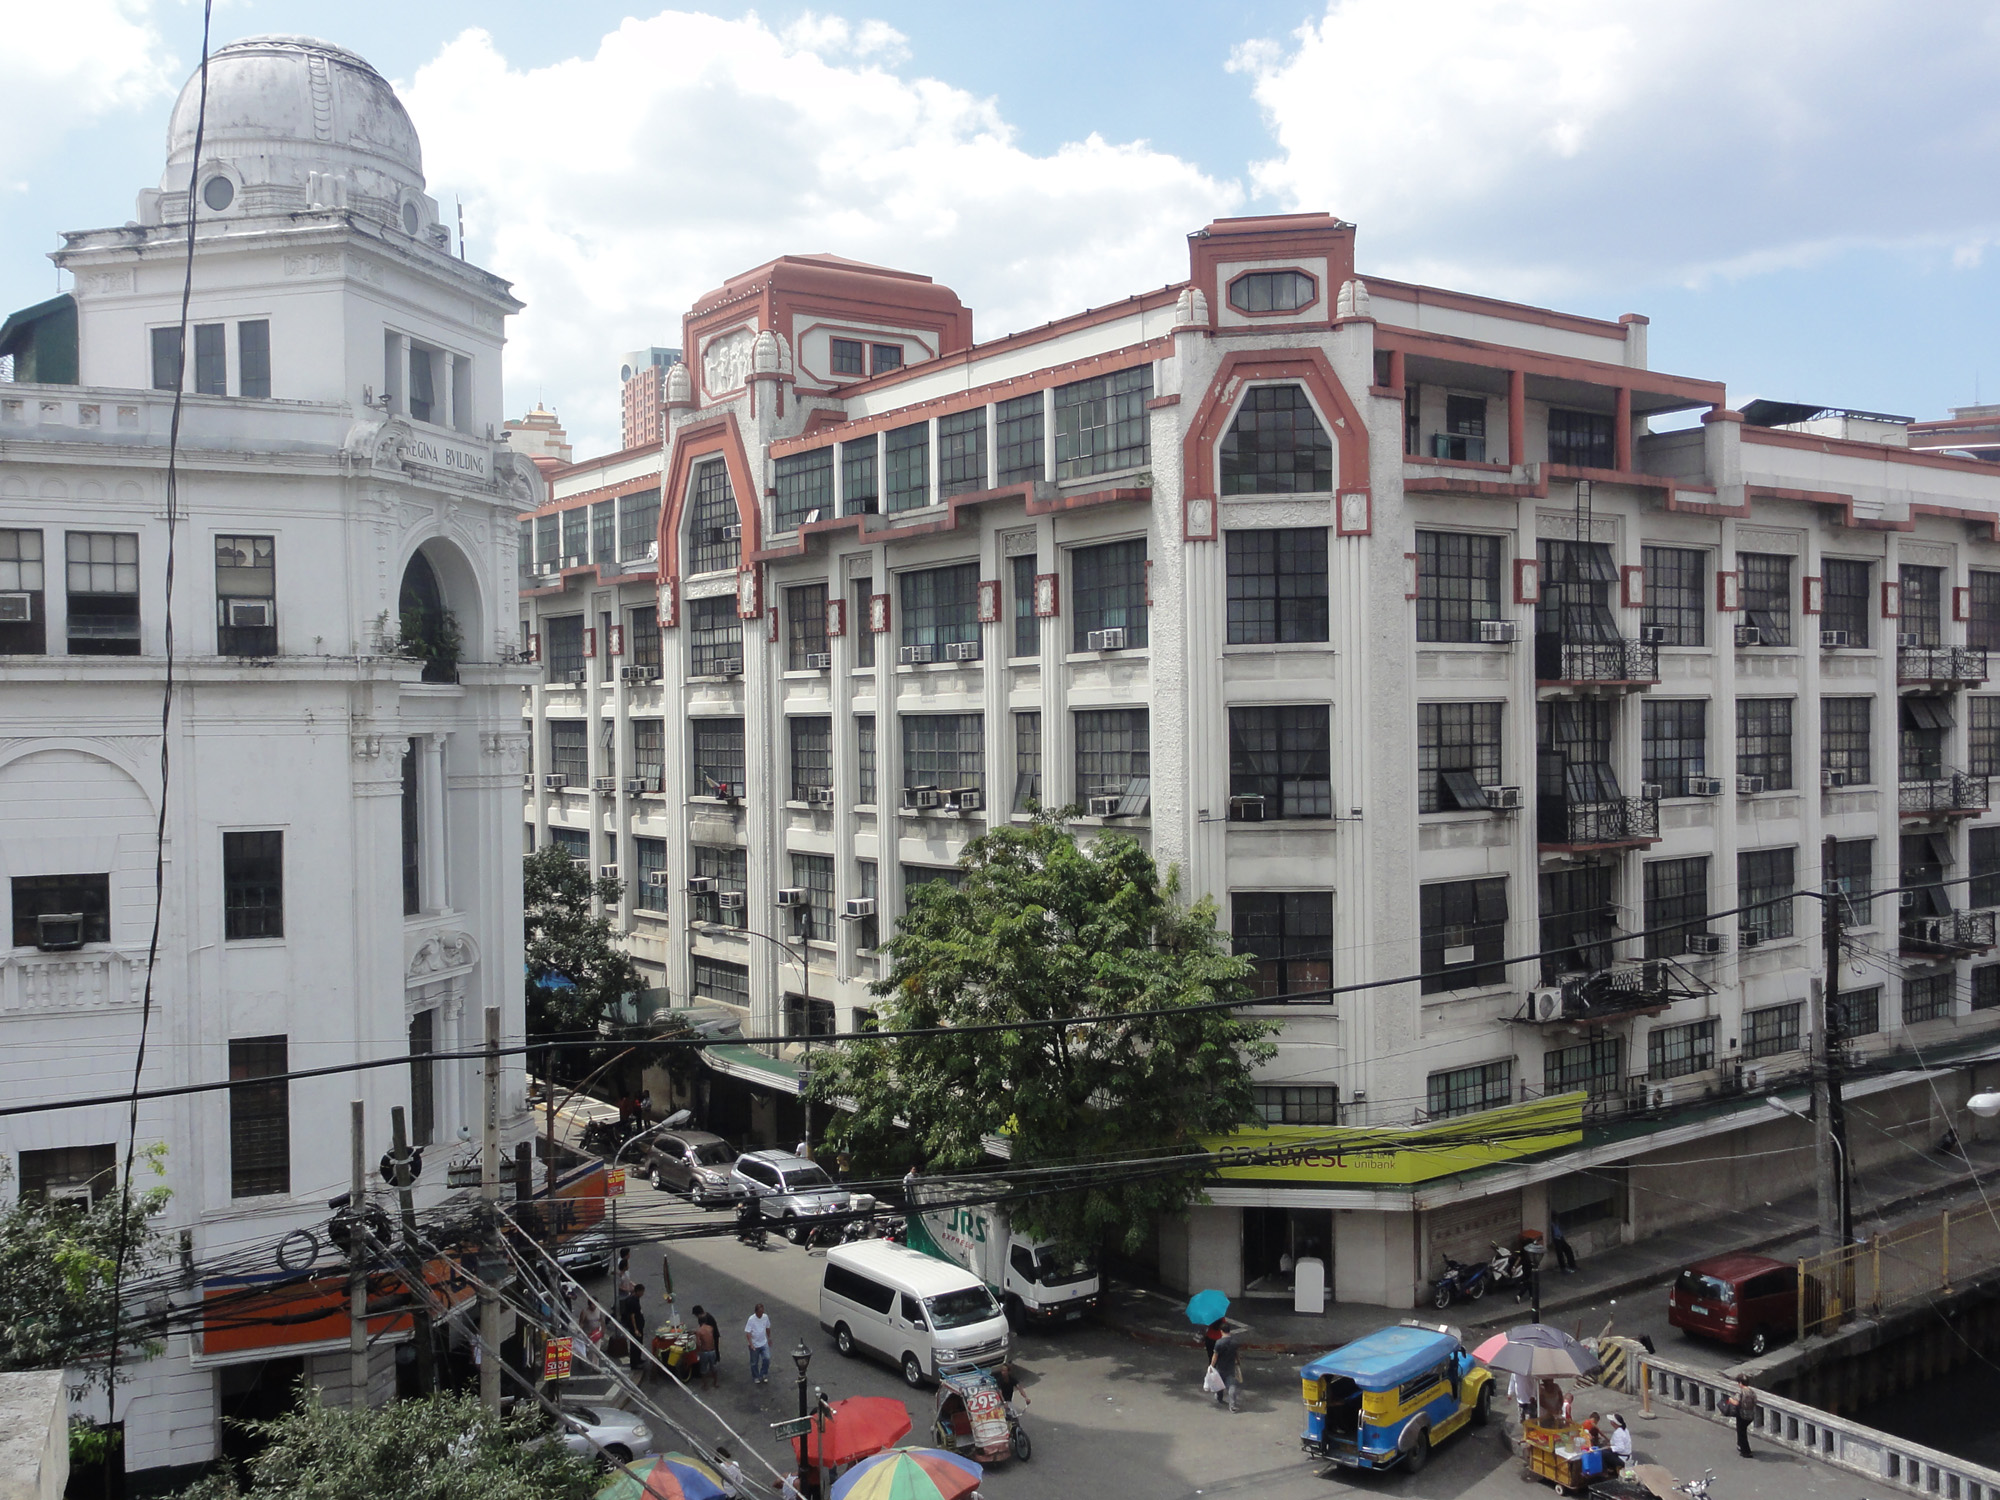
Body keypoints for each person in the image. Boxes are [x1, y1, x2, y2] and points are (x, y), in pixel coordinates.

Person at [1209, 1327, 1242, 1413]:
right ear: (1229, 1330)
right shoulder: (1235, 1342)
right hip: (1230, 1368)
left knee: (1220, 1384)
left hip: (1220, 1367)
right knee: (1232, 1386)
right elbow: (1237, 1354)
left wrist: (1211, 1366)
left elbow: (1215, 1356)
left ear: (1221, 1331)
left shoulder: (1219, 1343)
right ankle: (1232, 1406)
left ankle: (1219, 1398)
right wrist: (1238, 1362)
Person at [745, 1302, 773, 1384]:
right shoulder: (751, 1319)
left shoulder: (765, 1317)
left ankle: (763, 1374)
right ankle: (756, 1376)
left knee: (767, 1358)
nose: (761, 1313)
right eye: (760, 1312)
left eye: (762, 1311)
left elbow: (768, 1327)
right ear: (756, 1312)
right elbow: (748, 1332)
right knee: (754, 1362)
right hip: (754, 1344)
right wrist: (751, 1344)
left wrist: (769, 1338)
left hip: (763, 1342)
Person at [1732, 1374, 1757, 1457]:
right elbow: (1755, 1402)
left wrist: (1730, 1400)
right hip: (1750, 1414)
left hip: (1742, 1414)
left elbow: (1736, 1402)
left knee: (1741, 1432)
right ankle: (1740, 1445)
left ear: (1740, 1383)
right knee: (1742, 1430)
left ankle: (1746, 1451)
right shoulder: (1752, 1392)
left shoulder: (1741, 1391)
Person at [695, 1310, 720, 1389]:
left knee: (703, 1369)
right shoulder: (710, 1328)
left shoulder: (699, 1331)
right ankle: (715, 1383)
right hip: (712, 1350)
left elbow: (698, 1343)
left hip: (704, 1351)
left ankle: (705, 1385)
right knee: (714, 1368)